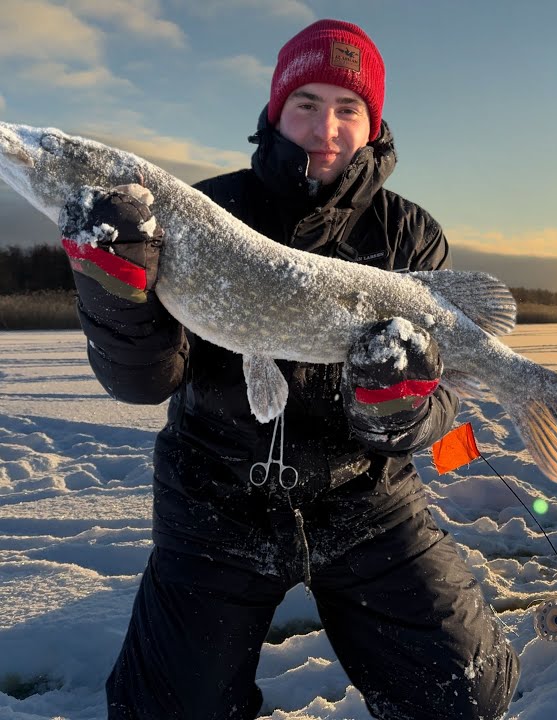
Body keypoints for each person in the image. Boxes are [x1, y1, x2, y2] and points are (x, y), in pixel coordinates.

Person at [59, 19, 518, 719]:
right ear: (276, 111)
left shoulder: (408, 235)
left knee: (466, 695)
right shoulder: (202, 211)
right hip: (216, 503)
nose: (324, 127)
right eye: (306, 103)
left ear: (372, 123)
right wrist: (115, 302)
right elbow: (143, 381)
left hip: (365, 501)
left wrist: (401, 413)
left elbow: (442, 394)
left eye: (347, 107)